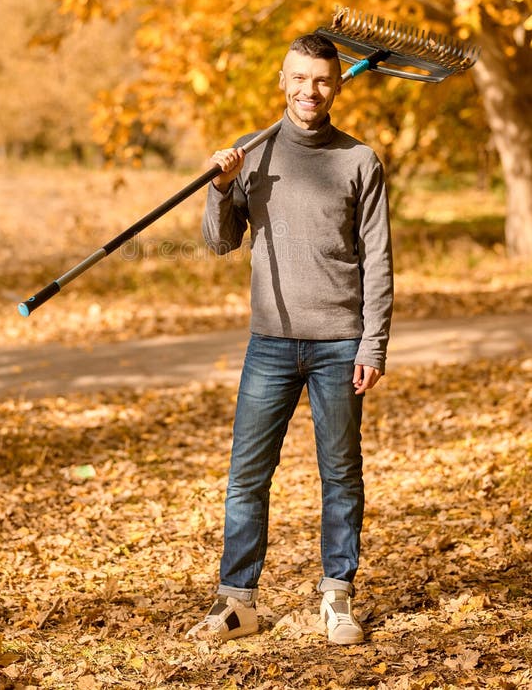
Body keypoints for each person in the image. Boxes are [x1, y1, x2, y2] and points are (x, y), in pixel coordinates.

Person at [186, 32, 393, 645]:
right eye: (300, 78)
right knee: (247, 474)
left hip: (338, 344)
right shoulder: (253, 154)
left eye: (323, 79)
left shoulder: (360, 161)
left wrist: (373, 343)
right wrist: (221, 188)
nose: (311, 90)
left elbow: (378, 260)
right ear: (283, 81)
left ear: (338, 84)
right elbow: (219, 242)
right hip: (270, 344)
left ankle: (337, 596)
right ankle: (237, 602)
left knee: (341, 473)